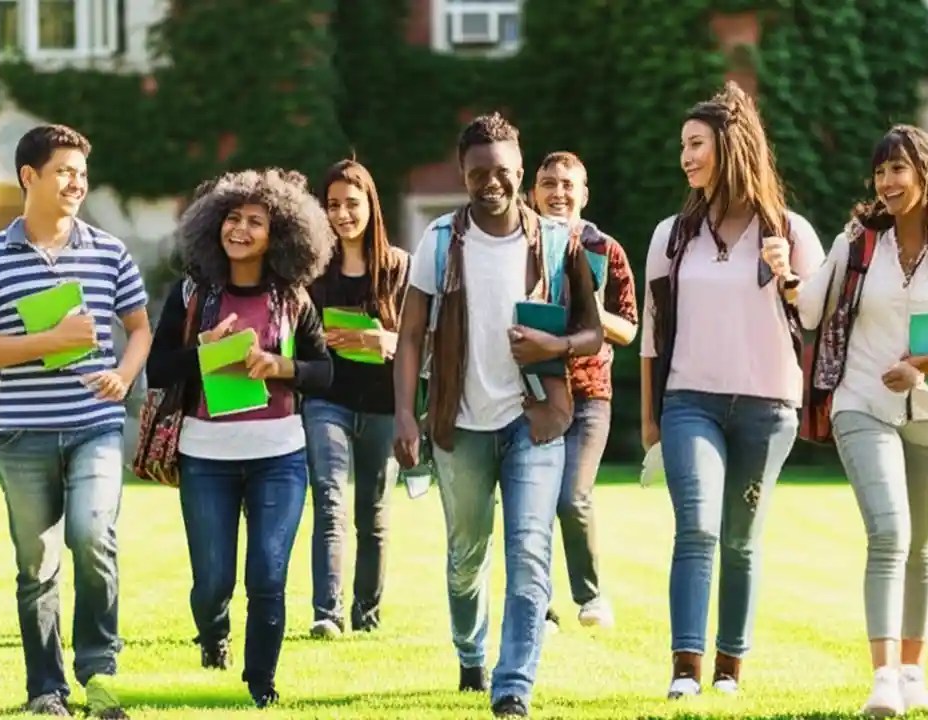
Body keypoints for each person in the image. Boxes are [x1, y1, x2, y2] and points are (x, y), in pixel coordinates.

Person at [393, 113, 604, 719]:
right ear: (463, 174)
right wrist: (405, 414)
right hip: (458, 423)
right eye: (478, 172)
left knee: (530, 553)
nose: (491, 182)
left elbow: (592, 332)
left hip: (535, 420)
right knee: (467, 555)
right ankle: (470, 651)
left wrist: (555, 347)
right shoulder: (439, 241)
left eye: (503, 171)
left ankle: (513, 686)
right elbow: (410, 335)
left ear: (520, 169)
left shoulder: (558, 243)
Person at [796, 125, 928, 717]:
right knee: (889, 533)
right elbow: (809, 310)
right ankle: (883, 678)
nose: (886, 182)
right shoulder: (860, 241)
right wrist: (798, 266)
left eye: (898, 169)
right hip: (862, 402)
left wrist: (923, 368)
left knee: (924, 547)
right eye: (881, 170)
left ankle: (913, 672)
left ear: (926, 175)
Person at [0, 124, 151, 719]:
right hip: (22, 432)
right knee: (36, 564)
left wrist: (123, 374)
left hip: (95, 423)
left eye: (82, 174)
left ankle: (100, 675)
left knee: (93, 536)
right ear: (29, 176)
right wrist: (50, 340)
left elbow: (140, 328)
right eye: (64, 171)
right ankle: (46, 690)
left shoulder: (109, 251)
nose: (76, 183)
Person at [640, 82, 825, 698]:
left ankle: (729, 669)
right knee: (696, 528)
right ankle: (685, 671)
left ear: (730, 146)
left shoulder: (791, 231)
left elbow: (818, 318)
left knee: (741, 541)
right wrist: (649, 418)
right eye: (682, 146)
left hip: (769, 407)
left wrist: (788, 276)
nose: (685, 157)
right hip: (689, 401)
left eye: (696, 144)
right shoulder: (671, 236)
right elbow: (651, 334)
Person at [145, 168, 335, 709]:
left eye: (256, 221)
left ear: (279, 236)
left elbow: (325, 373)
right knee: (212, 582)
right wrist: (202, 351)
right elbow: (158, 369)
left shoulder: (294, 300)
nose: (241, 229)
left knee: (268, 576)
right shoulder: (191, 295)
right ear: (214, 225)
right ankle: (214, 632)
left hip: (279, 455)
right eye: (233, 218)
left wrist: (280, 365)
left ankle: (261, 683)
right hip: (205, 457)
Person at [530, 151, 638, 633]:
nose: (558, 193)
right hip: (532, 389)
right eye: (549, 183)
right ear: (533, 192)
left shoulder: (604, 249)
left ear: (584, 194)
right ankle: (539, 607)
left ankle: (590, 596)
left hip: (589, 391)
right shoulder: (518, 245)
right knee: (533, 501)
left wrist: (594, 310)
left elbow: (629, 329)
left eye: (568, 184)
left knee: (572, 496)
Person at [304, 159, 411, 638]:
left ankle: (367, 615)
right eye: (332, 205)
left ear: (371, 204)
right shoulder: (313, 270)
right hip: (327, 400)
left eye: (351, 203)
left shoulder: (400, 267)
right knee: (330, 503)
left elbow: (423, 341)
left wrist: (386, 341)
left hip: (383, 404)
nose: (342, 214)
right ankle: (327, 613)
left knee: (374, 513)